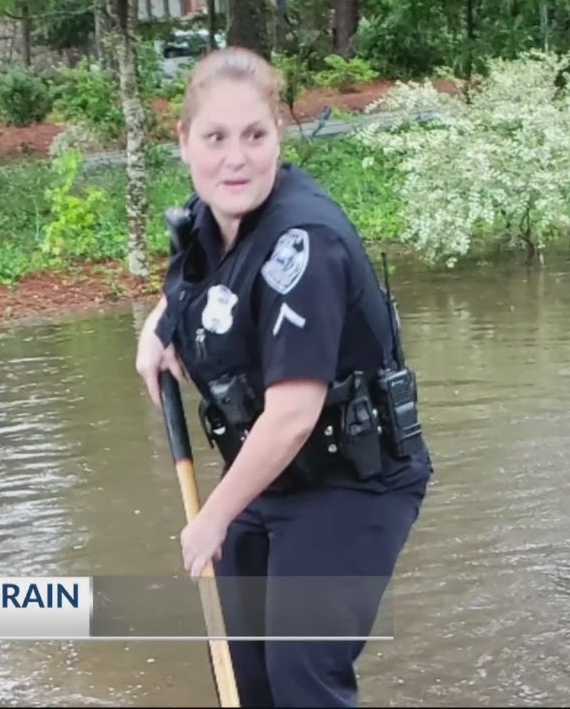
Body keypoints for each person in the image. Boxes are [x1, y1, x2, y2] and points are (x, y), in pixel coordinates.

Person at [134, 47, 434, 708]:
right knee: (246, 675)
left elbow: (294, 415)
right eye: (215, 137)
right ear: (184, 142)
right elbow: (190, 284)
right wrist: (159, 329)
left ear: (278, 136)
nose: (235, 158)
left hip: (354, 482)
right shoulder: (208, 217)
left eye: (254, 136)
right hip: (272, 476)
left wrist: (212, 517)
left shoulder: (306, 241)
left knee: (304, 675)